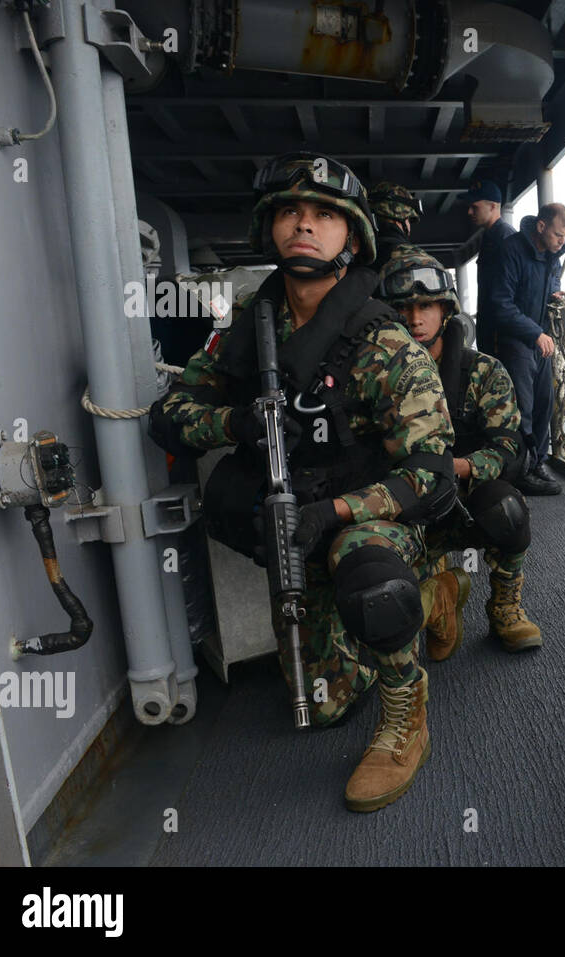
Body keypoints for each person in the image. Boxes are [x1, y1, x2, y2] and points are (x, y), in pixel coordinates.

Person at [149, 152, 469, 813]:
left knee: (373, 581)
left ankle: (405, 719)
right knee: (321, 707)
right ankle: (417, 606)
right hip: (290, 521)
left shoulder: (382, 340)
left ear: (350, 239)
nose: (305, 224)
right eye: (292, 212)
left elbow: (431, 475)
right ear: (271, 228)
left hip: (370, 516)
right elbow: (172, 415)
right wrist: (236, 422)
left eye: (325, 215)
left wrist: (342, 510)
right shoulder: (247, 326)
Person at [381, 249, 544, 653]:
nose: (414, 319)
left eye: (426, 306)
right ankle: (442, 595)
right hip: (403, 502)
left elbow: (509, 447)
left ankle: (505, 605)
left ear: (445, 309)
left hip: (464, 496)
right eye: (402, 307)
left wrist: (460, 467)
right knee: (374, 597)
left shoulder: (483, 372)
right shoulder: (374, 377)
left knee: (507, 509)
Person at [489, 203, 565, 496]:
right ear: (541, 227)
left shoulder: (553, 254)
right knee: (522, 410)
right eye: (557, 235)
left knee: (544, 405)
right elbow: (501, 303)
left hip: (540, 341)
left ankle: (537, 463)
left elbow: (550, 279)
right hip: (517, 340)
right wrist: (535, 332)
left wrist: (555, 291)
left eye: (564, 236)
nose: (561, 241)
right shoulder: (511, 250)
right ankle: (520, 471)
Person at [460, 179, 517, 355]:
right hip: (491, 332)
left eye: (474, 207)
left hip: (502, 335)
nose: (469, 211)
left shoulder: (506, 237)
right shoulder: (490, 236)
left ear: (493, 207)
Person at [368, 180, 424, 273]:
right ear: (399, 216)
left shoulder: (353, 258)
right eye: (409, 220)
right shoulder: (417, 260)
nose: (409, 226)